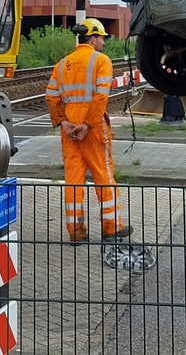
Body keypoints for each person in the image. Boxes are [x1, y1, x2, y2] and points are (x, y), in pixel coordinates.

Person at [46, 18, 130, 244]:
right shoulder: (101, 60)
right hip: (90, 126)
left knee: (73, 179)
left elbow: (52, 97)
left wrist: (63, 123)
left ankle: (76, 233)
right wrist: (88, 125)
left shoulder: (63, 63)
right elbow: (101, 96)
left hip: (69, 125)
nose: (103, 42)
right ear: (93, 38)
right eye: (102, 38)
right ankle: (111, 229)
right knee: (103, 175)